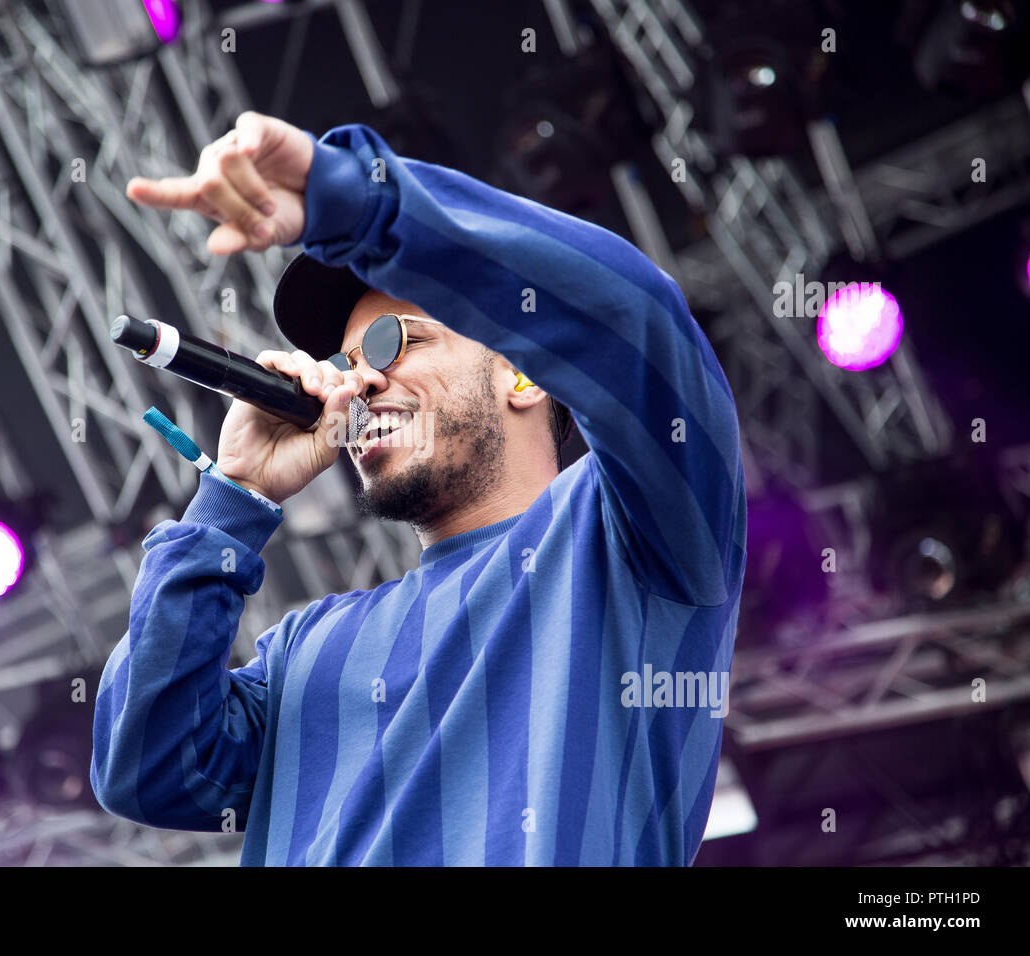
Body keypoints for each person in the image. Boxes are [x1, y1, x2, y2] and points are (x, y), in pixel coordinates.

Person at [90, 111, 747, 865]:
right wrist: (232, 500)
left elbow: (637, 323)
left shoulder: (625, 537)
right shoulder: (305, 651)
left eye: (394, 341)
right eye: (340, 364)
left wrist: (356, 202)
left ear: (524, 370)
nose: (360, 381)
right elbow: (147, 770)